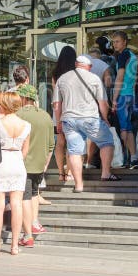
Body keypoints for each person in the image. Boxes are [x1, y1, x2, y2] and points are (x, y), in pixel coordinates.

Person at [53, 54, 117, 191]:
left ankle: (79, 185)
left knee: (74, 151)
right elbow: (103, 103)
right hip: (90, 119)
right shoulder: (94, 78)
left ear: (76, 64)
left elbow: (57, 105)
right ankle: (106, 173)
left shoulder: (62, 79)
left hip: (69, 120)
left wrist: (59, 121)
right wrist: (105, 118)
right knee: (107, 142)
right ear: (89, 67)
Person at [0, 91, 31, 255]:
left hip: (1, 160)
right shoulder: (26, 125)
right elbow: (25, 150)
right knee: (17, 204)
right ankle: (14, 245)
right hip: (18, 162)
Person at [15, 84, 55, 248]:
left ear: (23, 98)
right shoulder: (46, 116)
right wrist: (45, 164)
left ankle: (28, 235)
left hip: (22, 163)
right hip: (39, 164)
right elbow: (51, 144)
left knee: (23, 198)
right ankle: (34, 223)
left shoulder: (18, 114)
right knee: (34, 195)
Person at [111, 31, 138, 169]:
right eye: (113, 42)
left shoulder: (123, 56)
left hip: (123, 96)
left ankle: (121, 158)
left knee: (123, 129)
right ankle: (133, 159)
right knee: (128, 129)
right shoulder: (133, 56)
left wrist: (114, 99)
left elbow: (120, 77)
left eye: (117, 41)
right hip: (131, 96)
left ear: (124, 42)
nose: (114, 44)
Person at [52, 46, 77, 182]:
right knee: (71, 142)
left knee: (60, 142)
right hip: (70, 110)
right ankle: (69, 173)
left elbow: (56, 96)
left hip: (57, 110)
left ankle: (61, 173)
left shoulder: (55, 74)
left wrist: (57, 119)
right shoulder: (75, 74)